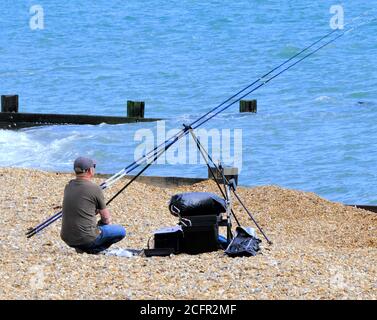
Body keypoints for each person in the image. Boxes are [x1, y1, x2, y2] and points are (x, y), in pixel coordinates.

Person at [60, 157, 126, 254]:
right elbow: (106, 219)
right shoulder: (95, 188)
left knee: (94, 228)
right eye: (94, 166)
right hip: (86, 239)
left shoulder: (68, 186)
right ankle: (94, 249)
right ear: (90, 170)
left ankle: (83, 247)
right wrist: (101, 223)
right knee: (121, 231)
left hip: (67, 238)